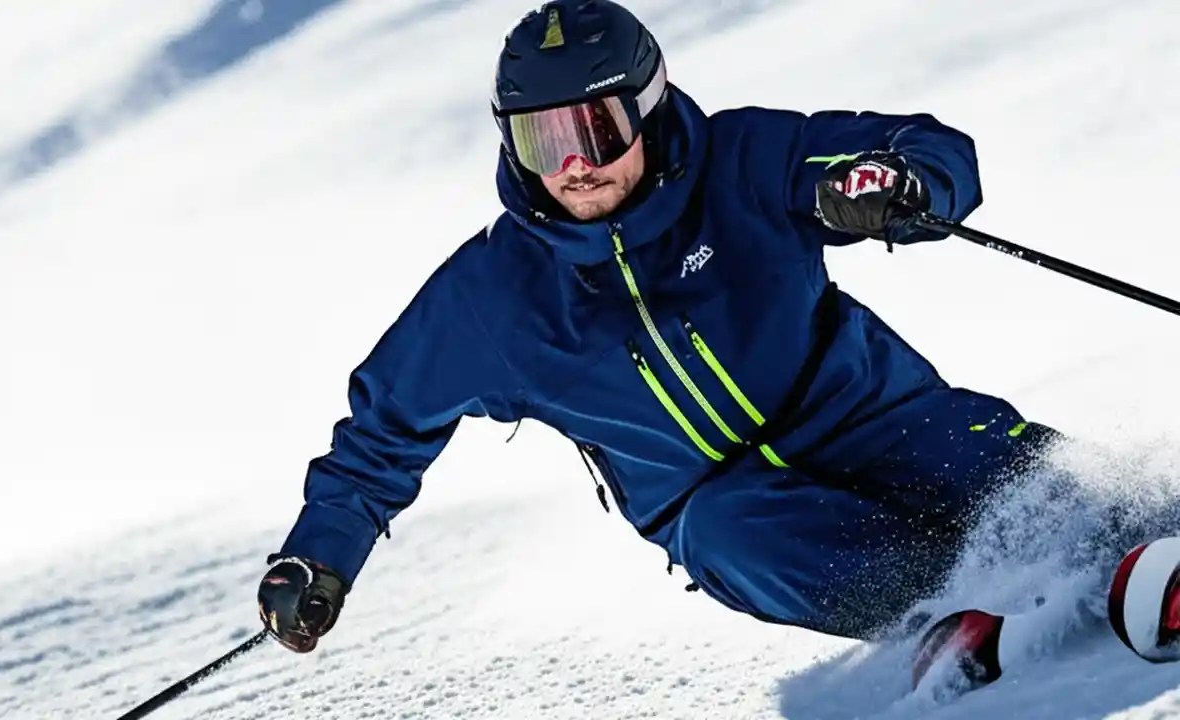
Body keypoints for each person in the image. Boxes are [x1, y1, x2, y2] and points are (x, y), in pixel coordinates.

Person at [255, 0, 1068, 689]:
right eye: (543, 144)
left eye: (596, 131)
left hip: (870, 414)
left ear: (647, 107)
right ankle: (956, 619)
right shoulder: (494, 296)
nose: (573, 166)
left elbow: (926, 148)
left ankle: (1118, 534)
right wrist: (317, 561)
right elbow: (383, 431)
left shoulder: (743, 162)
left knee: (1003, 474)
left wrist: (897, 187)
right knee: (734, 531)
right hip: (724, 503)